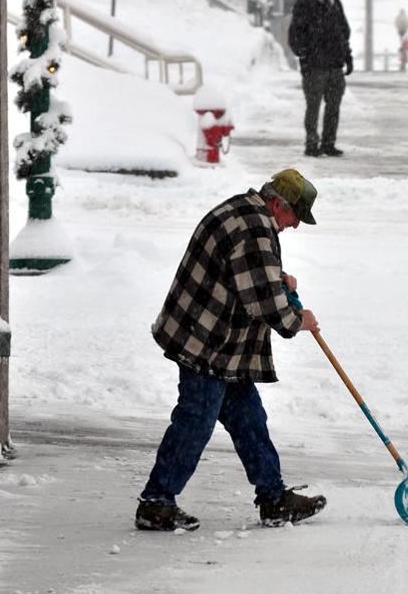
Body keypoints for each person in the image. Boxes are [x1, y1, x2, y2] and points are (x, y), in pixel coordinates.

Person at [135, 169, 328, 532]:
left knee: (249, 419)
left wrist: (278, 276)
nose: (296, 226)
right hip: (206, 342)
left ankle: (273, 499)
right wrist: (298, 319)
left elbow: (247, 269)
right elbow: (264, 300)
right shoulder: (256, 227)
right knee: (196, 420)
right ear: (277, 204)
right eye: (295, 216)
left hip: (221, 343)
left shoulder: (245, 210)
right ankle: (156, 502)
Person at [288, 0, 353, 158]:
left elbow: (344, 32)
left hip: (334, 64)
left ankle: (328, 143)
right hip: (315, 66)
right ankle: (311, 143)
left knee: (333, 106)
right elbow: (295, 35)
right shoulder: (304, 4)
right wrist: (305, 56)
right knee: (313, 106)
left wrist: (347, 56)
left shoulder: (334, 2)